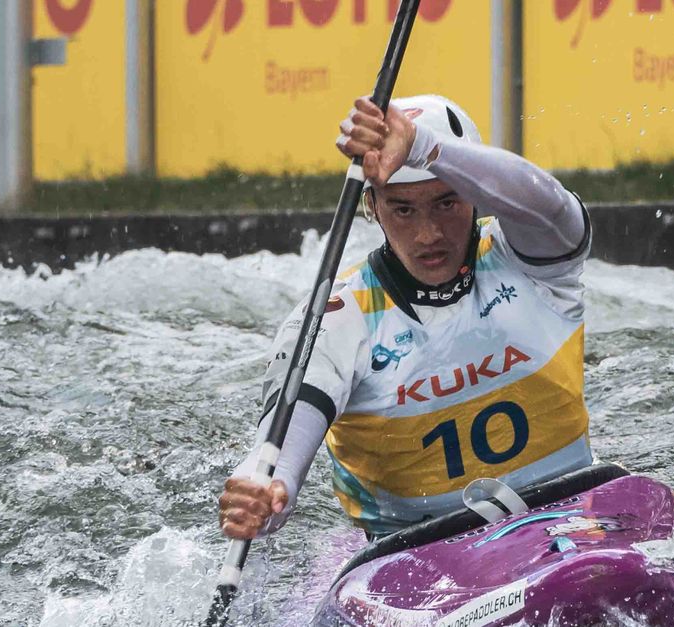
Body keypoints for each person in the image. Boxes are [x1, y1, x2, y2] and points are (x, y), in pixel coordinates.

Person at [218, 94, 595, 540]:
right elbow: (277, 453)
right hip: (417, 551)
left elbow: (550, 203)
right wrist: (265, 493)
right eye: (403, 208)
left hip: (570, 514)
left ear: (477, 195)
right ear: (373, 207)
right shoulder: (335, 319)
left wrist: (426, 148)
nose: (428, 233)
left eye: (446, 203)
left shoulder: (534, 261)